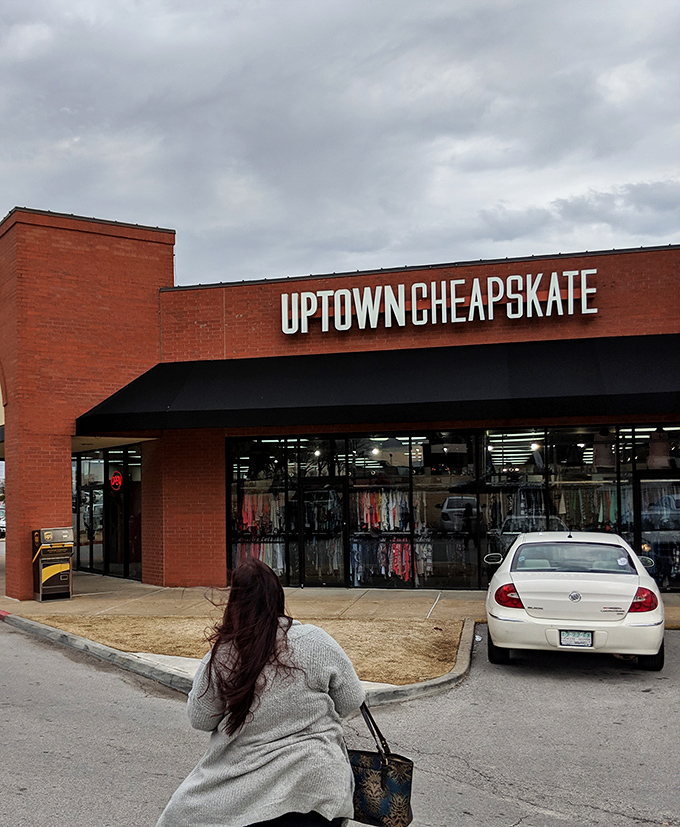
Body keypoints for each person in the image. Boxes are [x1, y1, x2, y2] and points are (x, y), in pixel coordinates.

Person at [156, 559, 365, 827]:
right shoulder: (317, 640)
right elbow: (351, 700)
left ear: (234, 603)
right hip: (320, 785)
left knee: (177, 816)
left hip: (244, 791)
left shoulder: (224, 654)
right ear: (278, 596)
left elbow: (200, 718)